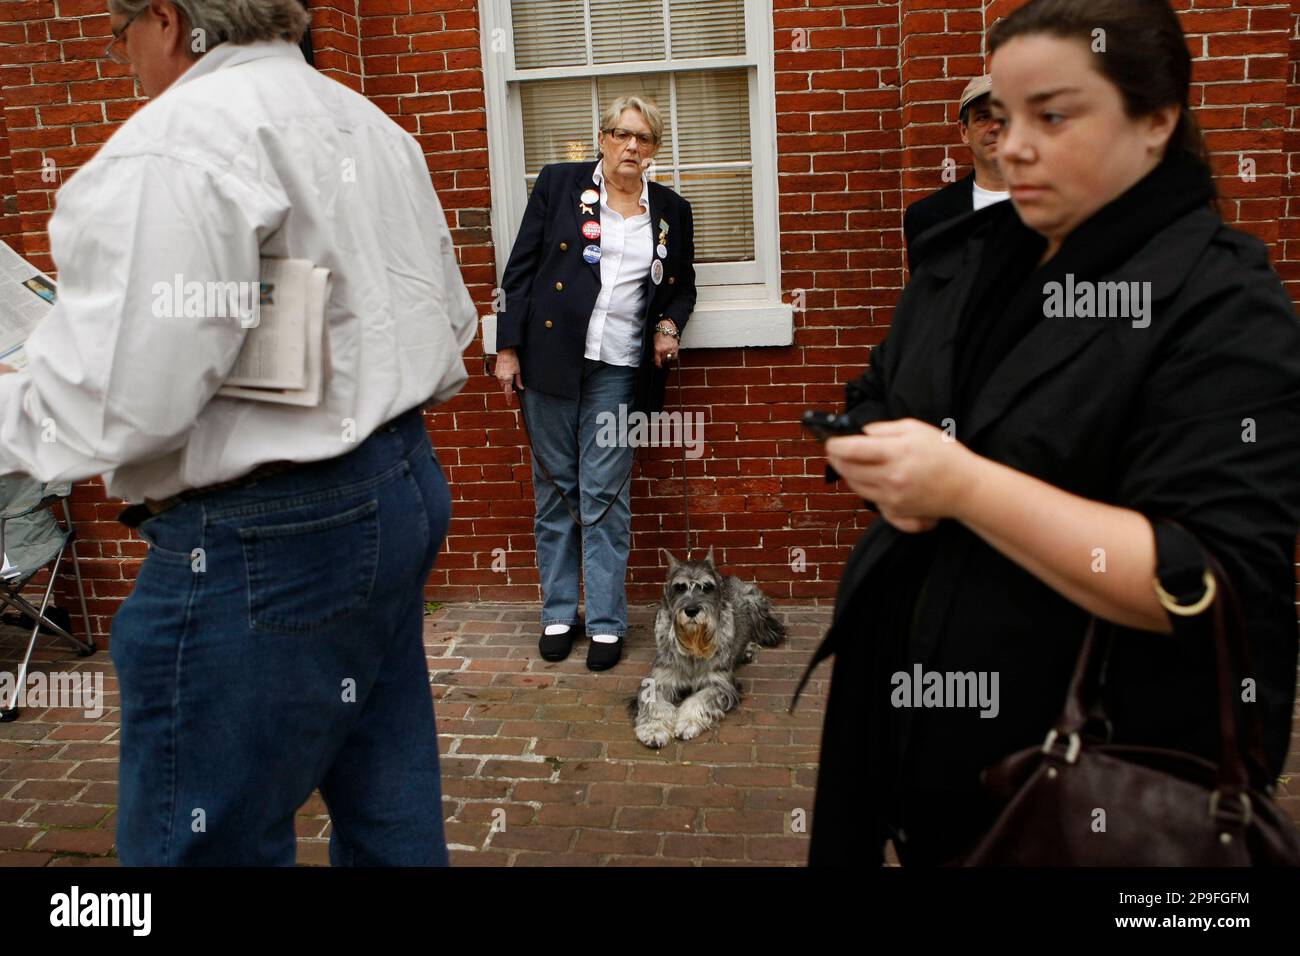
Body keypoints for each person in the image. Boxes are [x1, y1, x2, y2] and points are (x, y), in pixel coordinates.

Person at [806, 0, 1300, 866]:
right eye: (1002, 116)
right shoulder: (964, 258)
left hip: (1084, 790)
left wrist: (961, 486)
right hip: (918, 759)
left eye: (1053, 115)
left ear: (1156, 120)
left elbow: (1204, 580)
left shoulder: (1221, 307)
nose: (1014, 145)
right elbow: (879, 388)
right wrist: (873, 452)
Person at [0, 0, 477, 865]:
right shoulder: (371, 125)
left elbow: (122, 403)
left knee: (198, 840)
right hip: (398, 484)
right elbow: (453, 320)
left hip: (266, 538)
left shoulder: (175, 143)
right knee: (387, 795)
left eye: (121, 37)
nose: (122, 62)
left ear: (167, 19)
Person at [493, 96, 697, 671]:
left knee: (605, 495)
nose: (633, 147)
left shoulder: (671, 212)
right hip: (551, 361)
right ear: (603, 138)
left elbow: (682, 286)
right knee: (556, 491)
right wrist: (507, 348)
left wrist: (665, 324)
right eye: (623, 135)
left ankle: (605, 621)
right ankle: (560, 613)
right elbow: (520, 271)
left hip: (618, 371)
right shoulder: (558, 185)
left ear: (655, 150)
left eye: (646, 139)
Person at [903, 75, 1009, 271]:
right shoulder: (927, 218)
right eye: (983, 117)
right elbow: (928, 299)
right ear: (963, 131)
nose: (995, 127)